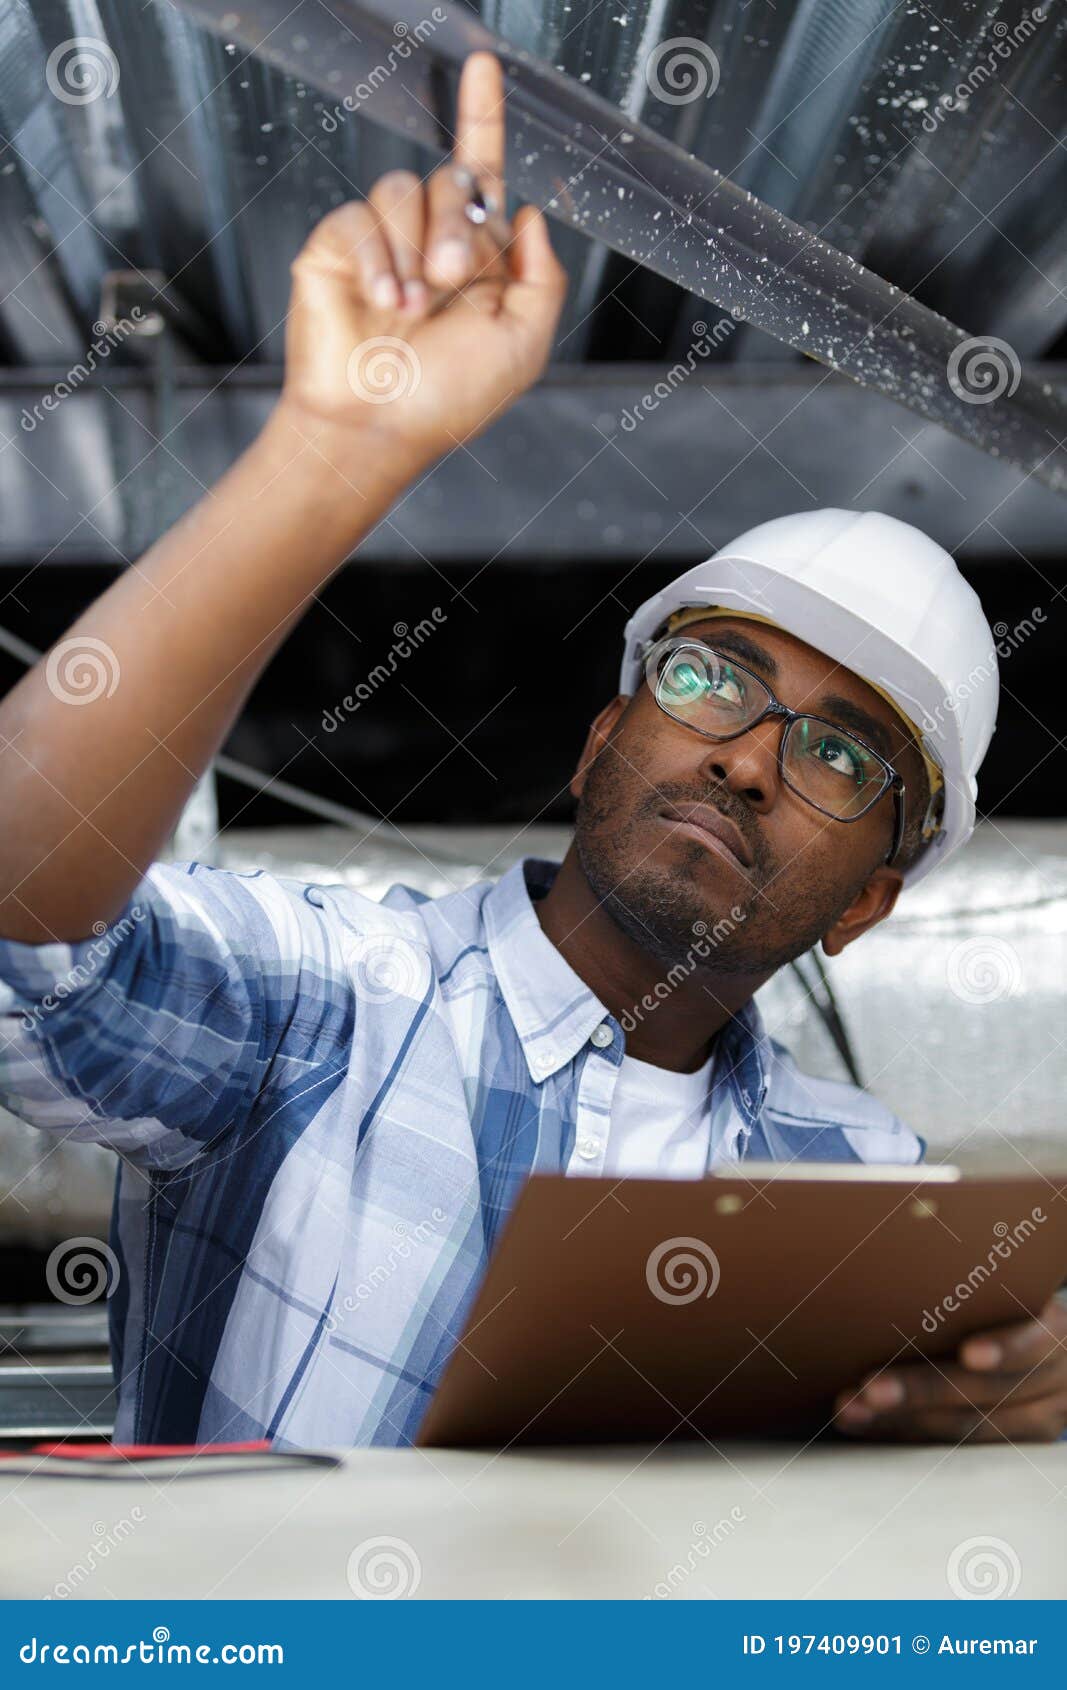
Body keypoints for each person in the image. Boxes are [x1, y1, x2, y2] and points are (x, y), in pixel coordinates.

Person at [0, 54, 1062, 1450]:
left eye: (843, 759)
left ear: (869, 900)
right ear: (603, 736)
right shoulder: (331, 1009)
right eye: (710, 676)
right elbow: (29, 942)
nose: (747, 760)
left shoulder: (867, 1198)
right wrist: (329, 446)